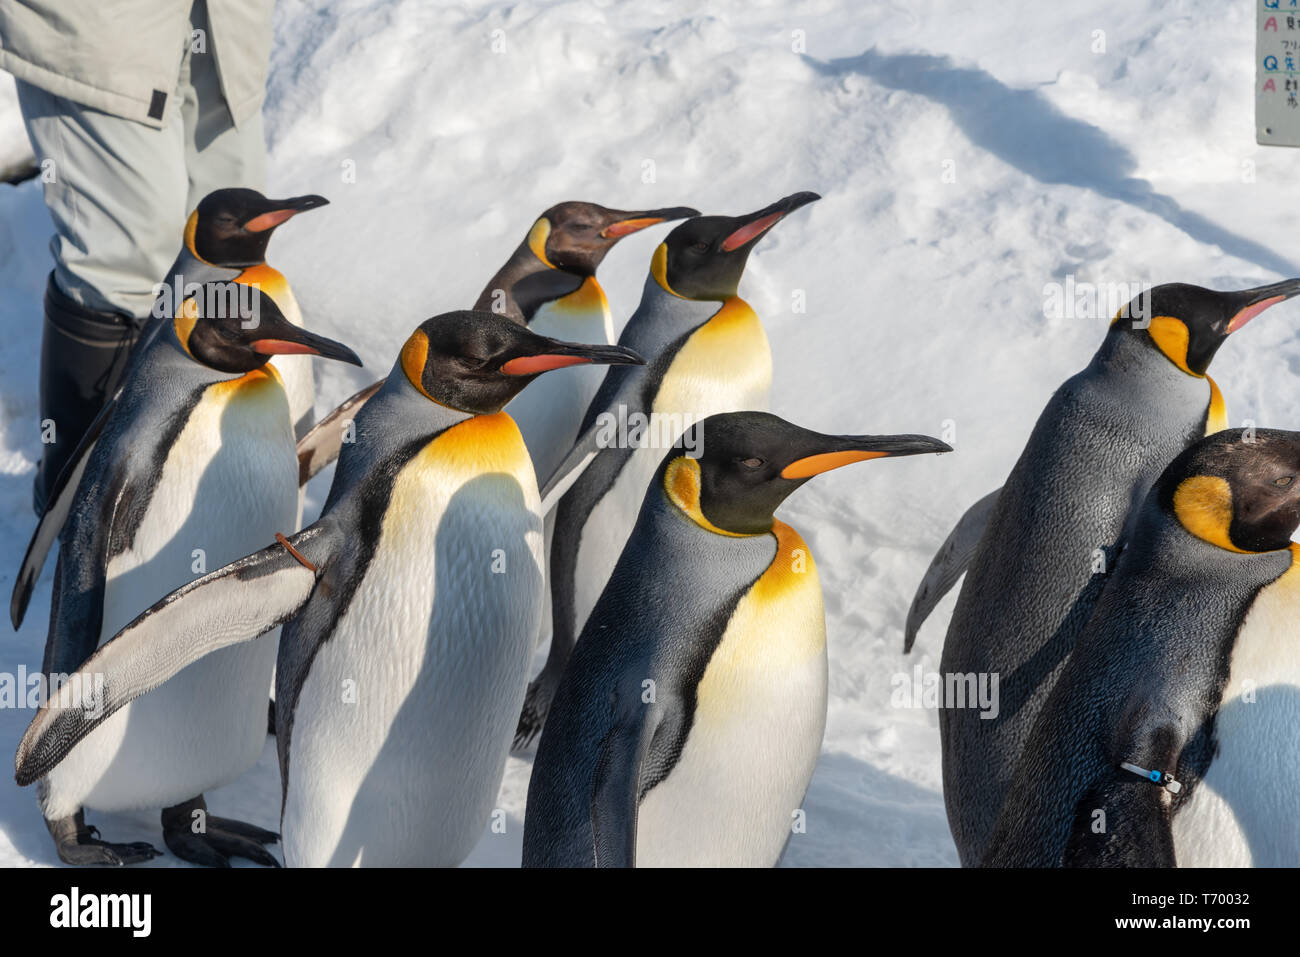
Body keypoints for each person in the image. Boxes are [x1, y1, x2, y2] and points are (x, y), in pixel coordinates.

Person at [0, 0, 273, 511]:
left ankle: (196, 489)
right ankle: (86, 505)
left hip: (226, 19)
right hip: (100, 25)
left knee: (232, 237)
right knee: (130, 257)